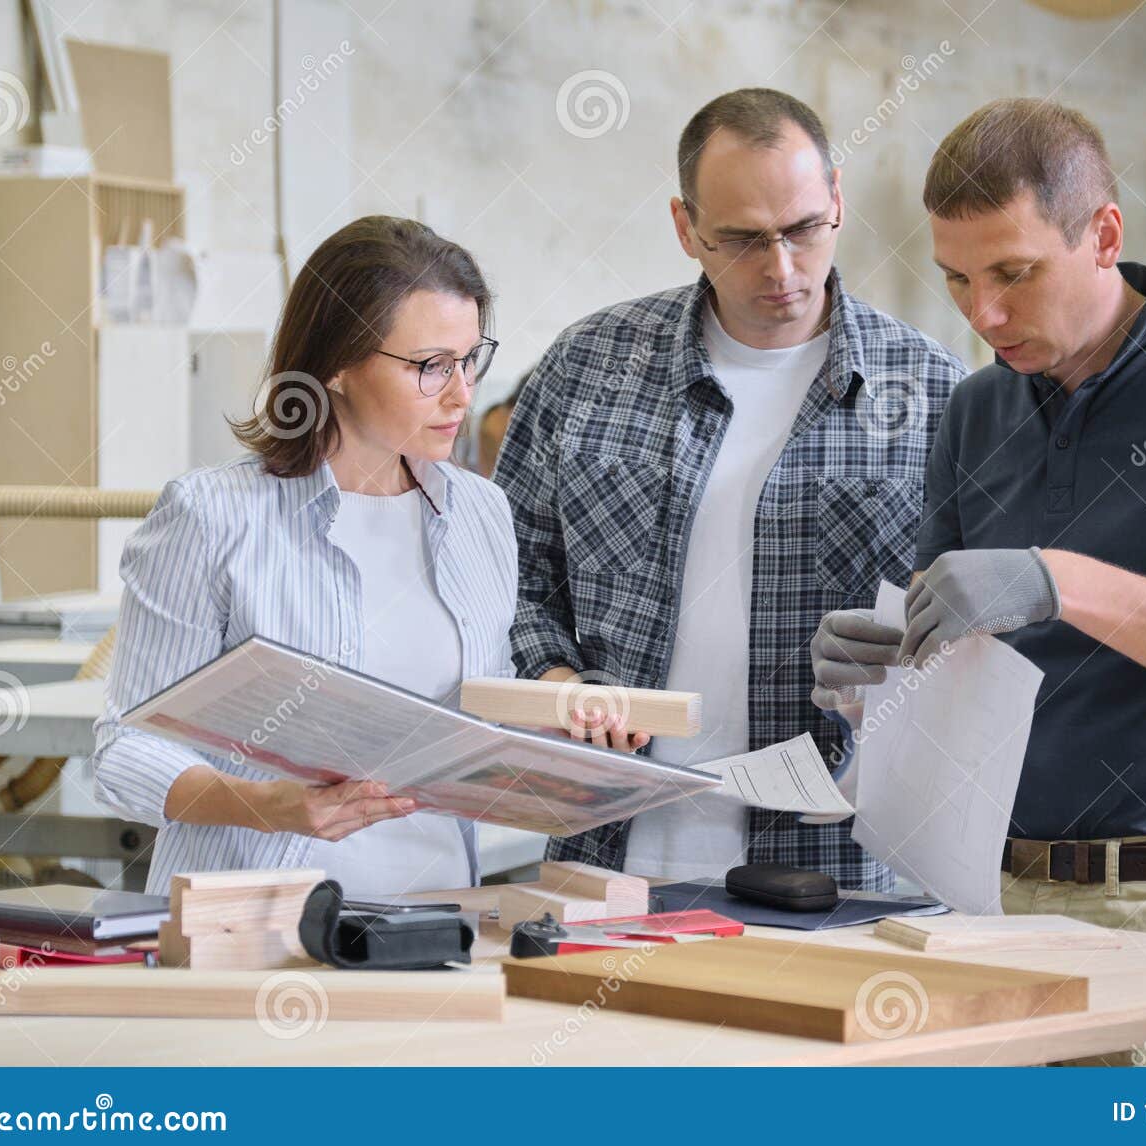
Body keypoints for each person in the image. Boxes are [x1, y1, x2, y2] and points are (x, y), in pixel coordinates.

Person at [812, 98, 1146, 1064]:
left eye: (1014, 273)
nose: (983, 315)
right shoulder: (976, 409)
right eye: (957, 279)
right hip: (990, 903)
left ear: (1104, 236)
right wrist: (874, 677)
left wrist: (1057, 579)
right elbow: (952, 657)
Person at [495, 88, 963, 889]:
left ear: (837, 198)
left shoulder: (931, 392)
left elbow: (972, 644)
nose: (781, 268)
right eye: (743, 239)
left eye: (804, 229)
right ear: (686, 228)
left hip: (836, 873)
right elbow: (507, 576)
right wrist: (558, 683)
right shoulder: (589, 369)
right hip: (610, 858)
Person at [92, 215, 519, 898]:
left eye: (471, 360)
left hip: (437, 916)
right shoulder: (212, 515)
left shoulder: (481, 514)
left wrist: (570, 726)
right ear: (338, 364)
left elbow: (486, 722)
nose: (462, 393)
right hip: (252, 922)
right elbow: (125, 751)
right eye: (431, 366)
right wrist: (265, 804)